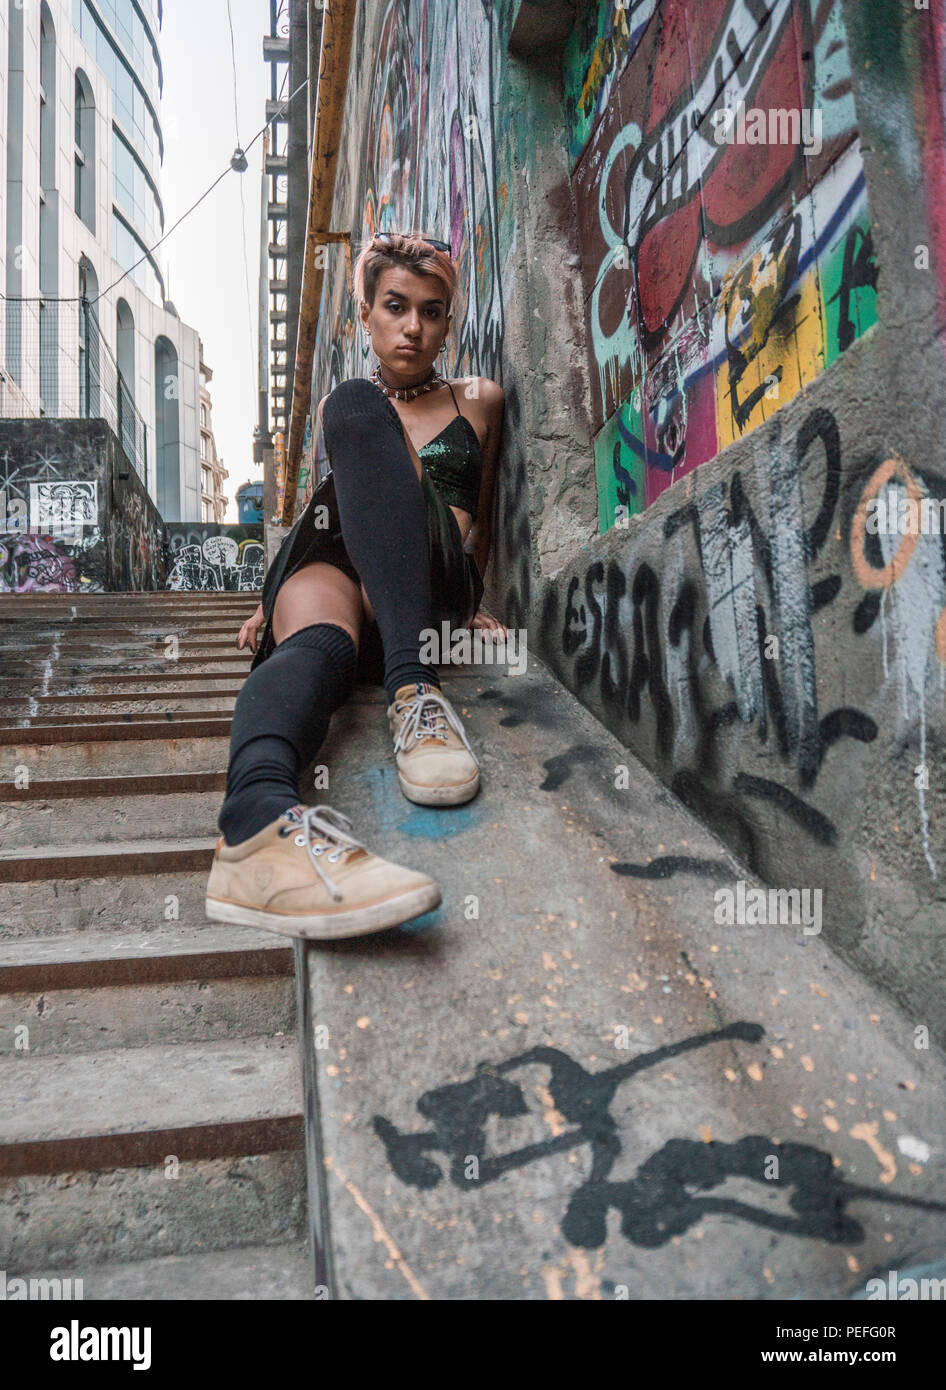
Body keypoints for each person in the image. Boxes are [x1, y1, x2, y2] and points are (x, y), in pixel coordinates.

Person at [205, 230, 506, 941]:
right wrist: (265, 602)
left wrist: (475, 601)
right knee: (308, 642)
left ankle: (415, 691)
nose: (413, 327)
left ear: (446, 322)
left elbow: (480, 522)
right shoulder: (351, 410)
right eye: (395, 306)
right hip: (338, 561)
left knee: (350, 406)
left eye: (432, 312)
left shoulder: (479, 400)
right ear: (365, 315)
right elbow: (327, 507)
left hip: (424, 580)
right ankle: (255, 830)